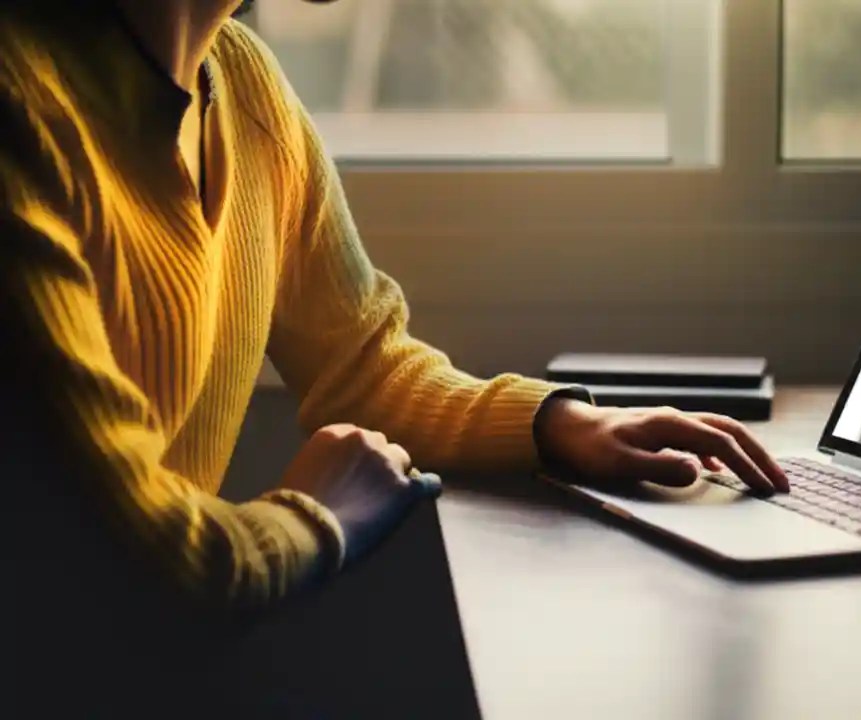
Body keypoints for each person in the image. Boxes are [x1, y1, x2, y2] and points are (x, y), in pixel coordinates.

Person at [0, 0, 789, 612]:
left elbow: (363, 365)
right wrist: (320, 513)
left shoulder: (241, 82)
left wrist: (559, 423)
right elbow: (156, 566)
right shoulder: (22, 107)